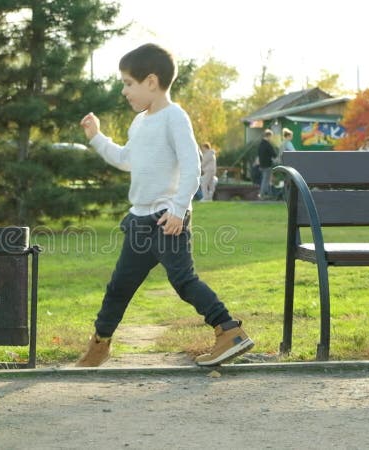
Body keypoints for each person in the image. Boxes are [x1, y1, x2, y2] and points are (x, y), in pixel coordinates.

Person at [77, 43, 254, 367]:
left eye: (129, 83)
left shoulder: (175, 117)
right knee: (119, 287)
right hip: (140, 222)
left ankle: (229, 331)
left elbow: (192, 167)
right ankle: (99, 346)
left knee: (184, 281)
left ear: (152, 82)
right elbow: (125, 159)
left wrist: (178, 210)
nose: (124, 90)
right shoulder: (140, 123)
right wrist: (97, 137)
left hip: (165, 220)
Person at [257, 129, 277, 200]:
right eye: (271, 136)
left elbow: (259, 154)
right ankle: (261, 194)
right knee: (266, 180)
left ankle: (269, 194)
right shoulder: (267, 144)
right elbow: (274, 154)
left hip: (262, 165)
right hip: (267, 165)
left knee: (266, 180)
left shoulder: (261, 144)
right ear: (268, 136)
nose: (271, 138)